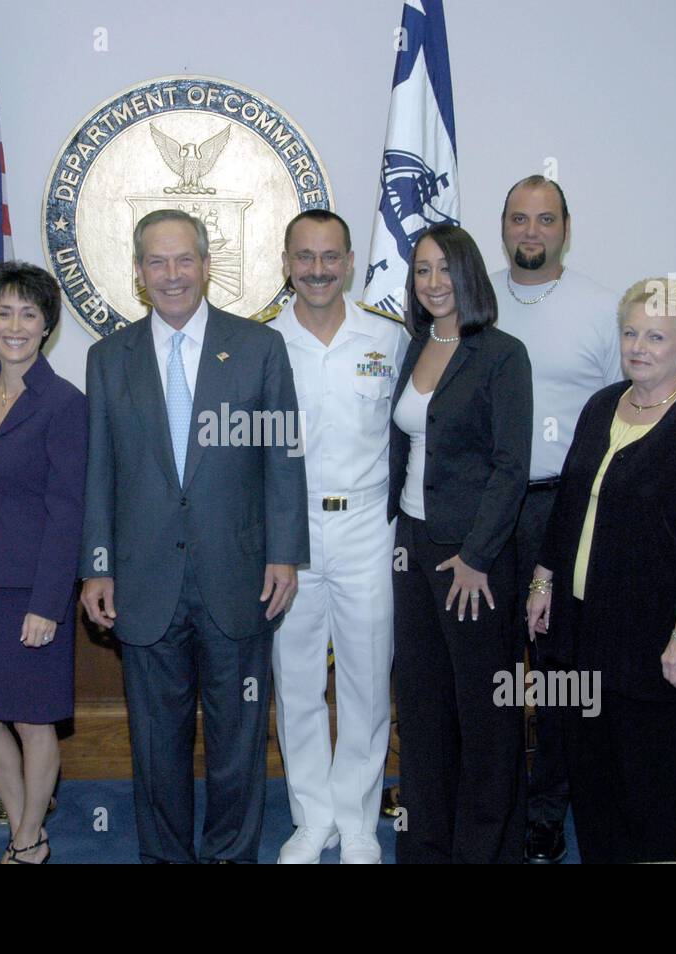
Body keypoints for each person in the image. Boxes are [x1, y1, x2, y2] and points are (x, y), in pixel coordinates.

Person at [79, 209, 309, 864]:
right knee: (156, 742)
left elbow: (282, 459)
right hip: (143, 579)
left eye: (184, 260)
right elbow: (100, 470)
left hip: (240, 575)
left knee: (238, 739)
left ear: (206, 265)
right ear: (138, 271)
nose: (172, 275)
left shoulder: (259, 348)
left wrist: (285, 553)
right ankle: (166, 857)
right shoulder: (107, 358)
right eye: (157, 261)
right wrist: (97, 565)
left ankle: (232, 855)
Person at [526, 277, 676, 863]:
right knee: (590, 777)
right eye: (630, 332)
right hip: (582, 629)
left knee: (644, 789)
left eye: (655, 336)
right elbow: (569, 504)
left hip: (655, 640)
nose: (639, 346)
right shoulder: (602, 405)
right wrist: (543, 581)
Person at [260, 210, 408, 864]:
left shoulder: (391, 338)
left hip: (369, 527)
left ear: (350, 262)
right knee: (294, 681)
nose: (317, 270)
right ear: (286, 261)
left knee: (367, 680)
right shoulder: (262, 343)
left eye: (330, 256)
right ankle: (311, 818)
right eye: (304, 256)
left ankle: (357, 823)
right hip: (290, 533)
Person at [388, 223, 532, 863]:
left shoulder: (502, 353)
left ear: (469, 274)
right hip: (412, 548)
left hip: (472, 557)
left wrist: (476, 558)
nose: (434, 282)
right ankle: (428, 844)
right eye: (422, 270)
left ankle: (487, 849)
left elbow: (511, 466)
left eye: (446, 268)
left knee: (484, 712)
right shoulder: (414, 345)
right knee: (421, 704)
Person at [490, 175, 622, 863]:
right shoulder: (472, 302)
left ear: (566, 227)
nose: (530, 232)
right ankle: (496, 805)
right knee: (487, 666)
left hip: (565, 506)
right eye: (519, 218)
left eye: (545, 219)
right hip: (486, 508)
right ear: (503, 226)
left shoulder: (602, 308)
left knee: (560, 670)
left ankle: (546, 811)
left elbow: (619, 423)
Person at [0, 262, 87, 865]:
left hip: (35, 587)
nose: (15, 325)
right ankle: (22, 823)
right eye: (4, 312)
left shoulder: (64, 403)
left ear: (47, 326)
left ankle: (29, 839)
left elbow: (68, 510)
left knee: (35, 722)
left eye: (29, 313)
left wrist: (48, 604)